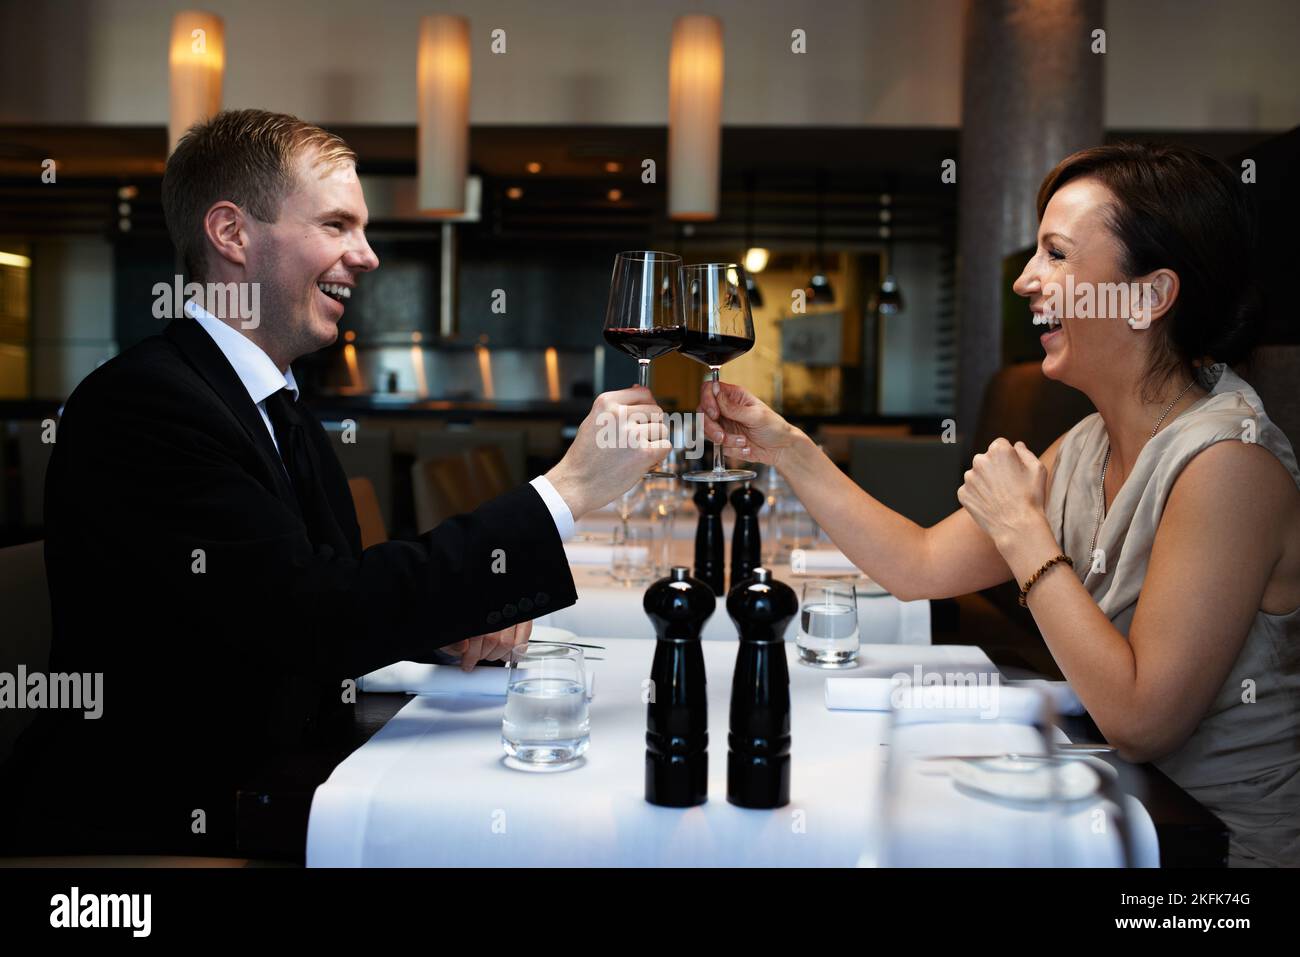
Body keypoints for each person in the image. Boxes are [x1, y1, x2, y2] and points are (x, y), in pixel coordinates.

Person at [3, 109, 668, 856]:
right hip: (162, 819)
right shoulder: (145, 406)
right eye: (337, 224)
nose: (368, 255)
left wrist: (438, 622)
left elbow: (324, 594)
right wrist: (568, 490)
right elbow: (312, 619)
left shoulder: (269, 400)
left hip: (283, 776)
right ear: (232, 233)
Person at [699, 143, 1300, 867]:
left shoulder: (1230, 465)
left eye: (1055, 253)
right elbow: (916, 565)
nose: (1025, 280)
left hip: (1204, 857)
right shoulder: (1086, 444)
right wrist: (788, 447)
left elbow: (1143, 721)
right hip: (1107, 804)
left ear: (1149, 295)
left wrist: (1023, 530)